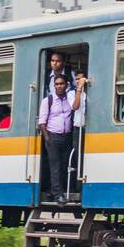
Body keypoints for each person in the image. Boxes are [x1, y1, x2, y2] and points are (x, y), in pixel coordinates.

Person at [37, 75, 78, 203]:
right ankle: (58, 195)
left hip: (66, 136)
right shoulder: (47, 100)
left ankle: (61, 190)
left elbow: (75, 108)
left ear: (66, 85)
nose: (59, 86)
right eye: (56, 84)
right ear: (54, 86)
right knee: (55, 167)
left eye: (61, 84)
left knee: (65, 165)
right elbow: (42, 122)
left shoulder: (69, 99)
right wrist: (47, 138)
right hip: (53, 136)